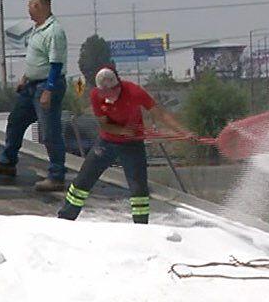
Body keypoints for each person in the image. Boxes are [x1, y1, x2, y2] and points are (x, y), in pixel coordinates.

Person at [57, 67, 191, 224]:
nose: (110, 95)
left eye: (113, 90)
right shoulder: (95, 96)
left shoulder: (134, 92)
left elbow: (160, 113)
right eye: (105, 92)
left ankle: (141, 226)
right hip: (107, 142)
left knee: (138, 189)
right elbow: (104, 125)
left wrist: (183, 132)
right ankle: (65, 218)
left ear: (118, 84)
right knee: (83, 180)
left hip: (132, 145)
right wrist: (123, 131)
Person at [0, 0, 69, 193]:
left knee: (49, 131)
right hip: (31, 85)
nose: (28, 11)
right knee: (16, 121)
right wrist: (25, 78)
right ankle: (7, 162)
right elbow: (36, 59)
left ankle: (56, 175)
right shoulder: (36, 29)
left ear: (40, 7)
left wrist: (49, 89)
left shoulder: (54, 31)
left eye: (30, 7)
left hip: (46, 85)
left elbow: (55, 64)